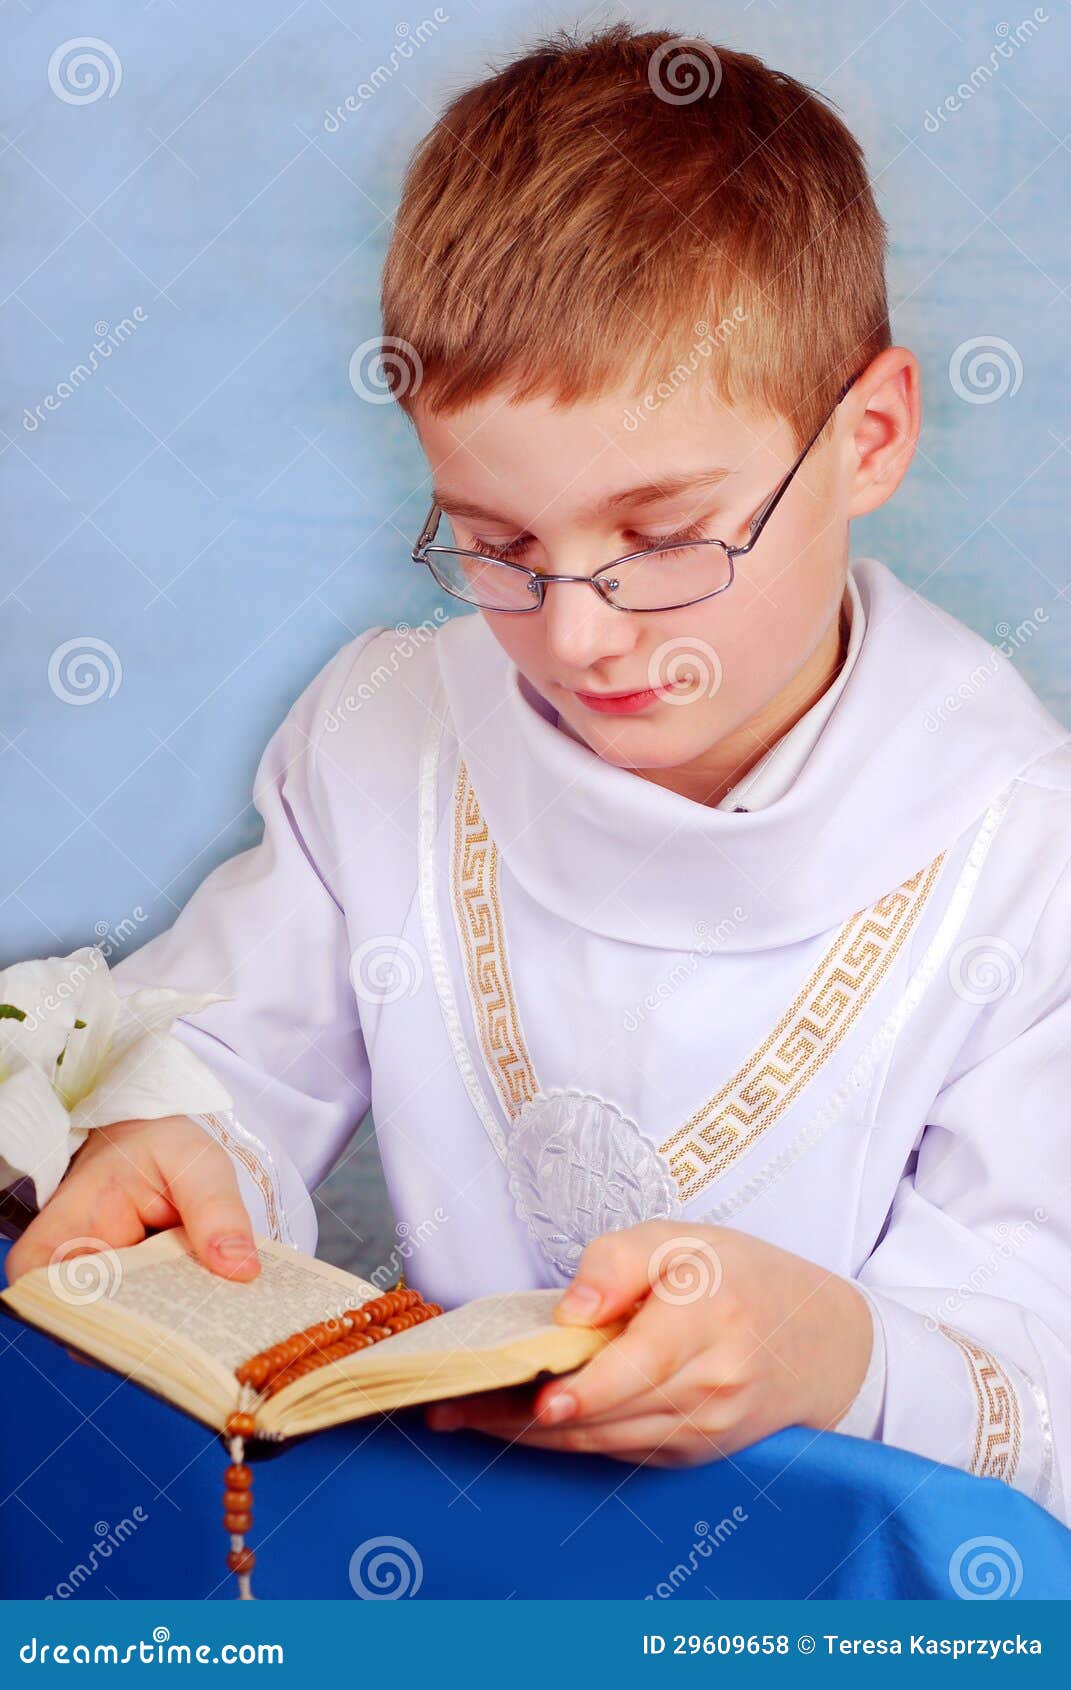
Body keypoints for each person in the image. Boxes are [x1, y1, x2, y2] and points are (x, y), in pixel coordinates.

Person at [6, 25, 1070, 1518]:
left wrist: (833, 1350)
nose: (576, 634)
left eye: (661, 536)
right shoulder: (387, 732)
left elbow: (1044, 1378)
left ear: (871, 435)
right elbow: (227, 1068)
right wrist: (173, 1146)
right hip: (448, 1545)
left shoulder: (1025, 852)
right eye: (499, 546)